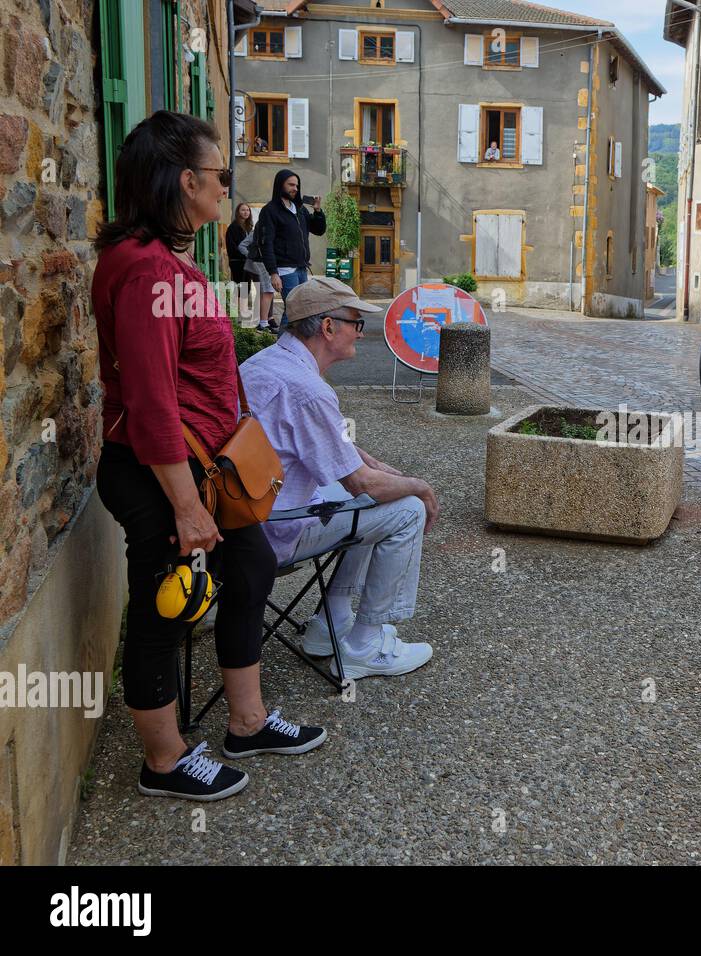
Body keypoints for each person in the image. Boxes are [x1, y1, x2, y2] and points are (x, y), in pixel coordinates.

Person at [92, 111, 326, 803]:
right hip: (158, 472)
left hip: (202, 465)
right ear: (185, 179)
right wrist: (186, 506)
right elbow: (151, 401)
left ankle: (247, 721)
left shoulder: (164, 262)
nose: (227, 188)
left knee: (251, 564)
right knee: (165, 610)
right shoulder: (141, 270)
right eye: (220, 176)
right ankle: (162, 762)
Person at [241, 277, 439, 680]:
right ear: (328, 328)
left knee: (375, 501)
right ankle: (364, 645)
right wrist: (420, 487)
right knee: (405, 510)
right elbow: (361, 485)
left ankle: (327, 623)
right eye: (355, 323)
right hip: (274, 531)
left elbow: (317, 442)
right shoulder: (307, 388)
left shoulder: (264, 364)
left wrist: (369, 461)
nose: (360, 333)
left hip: (243, 518)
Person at [259, 169, 325, 306]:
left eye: (296, 185)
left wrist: (318, 211)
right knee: (293, 310)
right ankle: (283, 328)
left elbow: (319, 230)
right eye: (291, 185)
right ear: (280, 185)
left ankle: (288, 328)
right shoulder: (270, 210)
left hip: (301, 268)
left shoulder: (300, 209)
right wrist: (273, 273)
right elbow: (266, 243)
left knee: (298, 310)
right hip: (285, 269)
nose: (295, 188)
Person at [239, 217, 279, 332]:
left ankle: (267, 319)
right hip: (257, 266)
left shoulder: (271, 232)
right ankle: (263, 322)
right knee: (266, 292)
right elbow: (241, 246)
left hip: (264, 265)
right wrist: (252, 255)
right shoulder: (257, 231)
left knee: (267, 292)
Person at [224, 201, 253, 283]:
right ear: (238, 212)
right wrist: (244, 255)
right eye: (243, 210)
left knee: (247, 287)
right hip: (238, 262)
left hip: (247, 261)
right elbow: (232, 247)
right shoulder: (233, 227)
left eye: (248, 210)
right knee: (241, 287)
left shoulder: (249, 227)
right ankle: (239, 296)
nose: (246, 212)